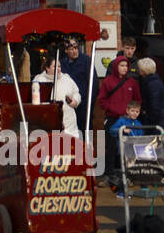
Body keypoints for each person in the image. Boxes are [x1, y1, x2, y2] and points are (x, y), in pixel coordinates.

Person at [97, 55, 141, 183]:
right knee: (110, 147)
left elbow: (137, 99)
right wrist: (111, 108)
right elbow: (101, 100)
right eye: (122, 65)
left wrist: (133, 112)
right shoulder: (108, 81)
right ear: (116, 67)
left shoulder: (132, 82)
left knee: (130, 147)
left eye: (126, 66)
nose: (124, 68)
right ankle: (109, 174)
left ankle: (129, 174)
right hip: (113, 119)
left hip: (129, 120)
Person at [33, 52, 82, 137]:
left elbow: (76, 93)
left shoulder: (66, 78)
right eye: (55, 66)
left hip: (69, 124)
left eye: (59, 66)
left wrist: (75, 101)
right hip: (48, 124)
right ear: (47, 68)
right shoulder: (38, 80)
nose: (58, 69)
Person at [60, 38, 97, 137]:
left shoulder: (86, 60)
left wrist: (89, 104)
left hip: (84, 105)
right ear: (66, 50)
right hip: (68, 106)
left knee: (85, 133)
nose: (74, 51)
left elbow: (94, 84)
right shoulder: (62, 63)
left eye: (76, 48)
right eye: (71, 49)